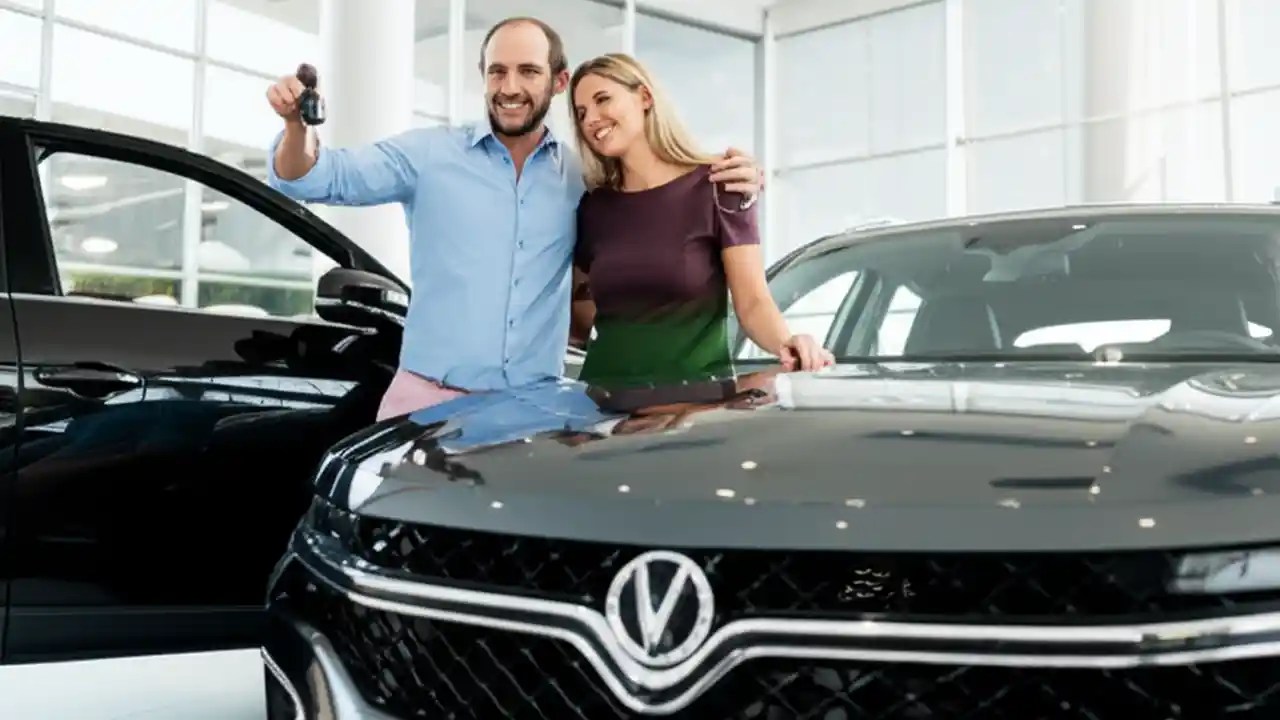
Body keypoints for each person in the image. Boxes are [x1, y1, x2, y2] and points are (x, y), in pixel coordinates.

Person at [262, 16, 764, 420]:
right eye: (497, 71)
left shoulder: (579, 179)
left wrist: (730, 177)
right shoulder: (428, 156)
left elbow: (653, 215)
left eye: (528, 71)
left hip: (536, 413)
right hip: (427, 406)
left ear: (558, 82)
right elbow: (313, 176)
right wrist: (295, 127)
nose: (510, 86)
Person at [567, 53, 834, 395]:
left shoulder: (721, 185)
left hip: (695, 410)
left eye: (603, 99)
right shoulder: (594, 207)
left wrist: (789, 341)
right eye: (581, 113)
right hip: (604, 408)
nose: (592, 119)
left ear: (645, 98)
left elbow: (752, 301)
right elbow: (582, 306)